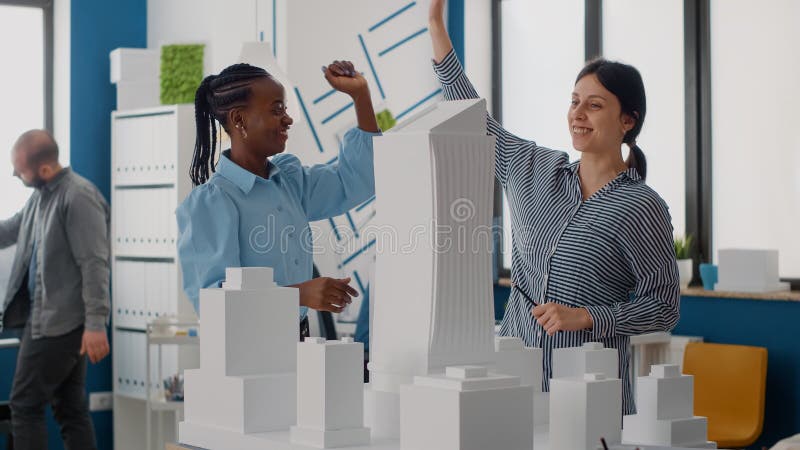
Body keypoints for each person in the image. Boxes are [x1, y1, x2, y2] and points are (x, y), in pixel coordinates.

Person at [428, 0, 680, 414]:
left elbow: (664, 307)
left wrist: (588, 316)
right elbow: (473, 117)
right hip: (515, 384)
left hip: (589, 395)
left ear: (627, 120)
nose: (578, 114)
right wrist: (436, 23)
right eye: (574, 101)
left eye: (595, 105)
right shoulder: (533, 167)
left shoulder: (641, 206)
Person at [177, 60, 380, 337]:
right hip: (247, 352)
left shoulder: (290, 181)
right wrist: (299, 294)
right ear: (239, 119)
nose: (288, 118)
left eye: (284, 108)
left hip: (298, 339)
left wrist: (361, 96)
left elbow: (358, 180)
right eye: (276, 110)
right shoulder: (212, 203)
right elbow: (215, 305)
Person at [0, 129, 110, 449]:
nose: (15, 175)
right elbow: (12, 229)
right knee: (70, 408)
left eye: (19, 171)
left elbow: (95, 264)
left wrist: (95, 324)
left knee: (24, 405)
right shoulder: (42, 195)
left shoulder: (78, 197)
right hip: (46, 319)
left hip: (60, 324)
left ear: (44, 169)